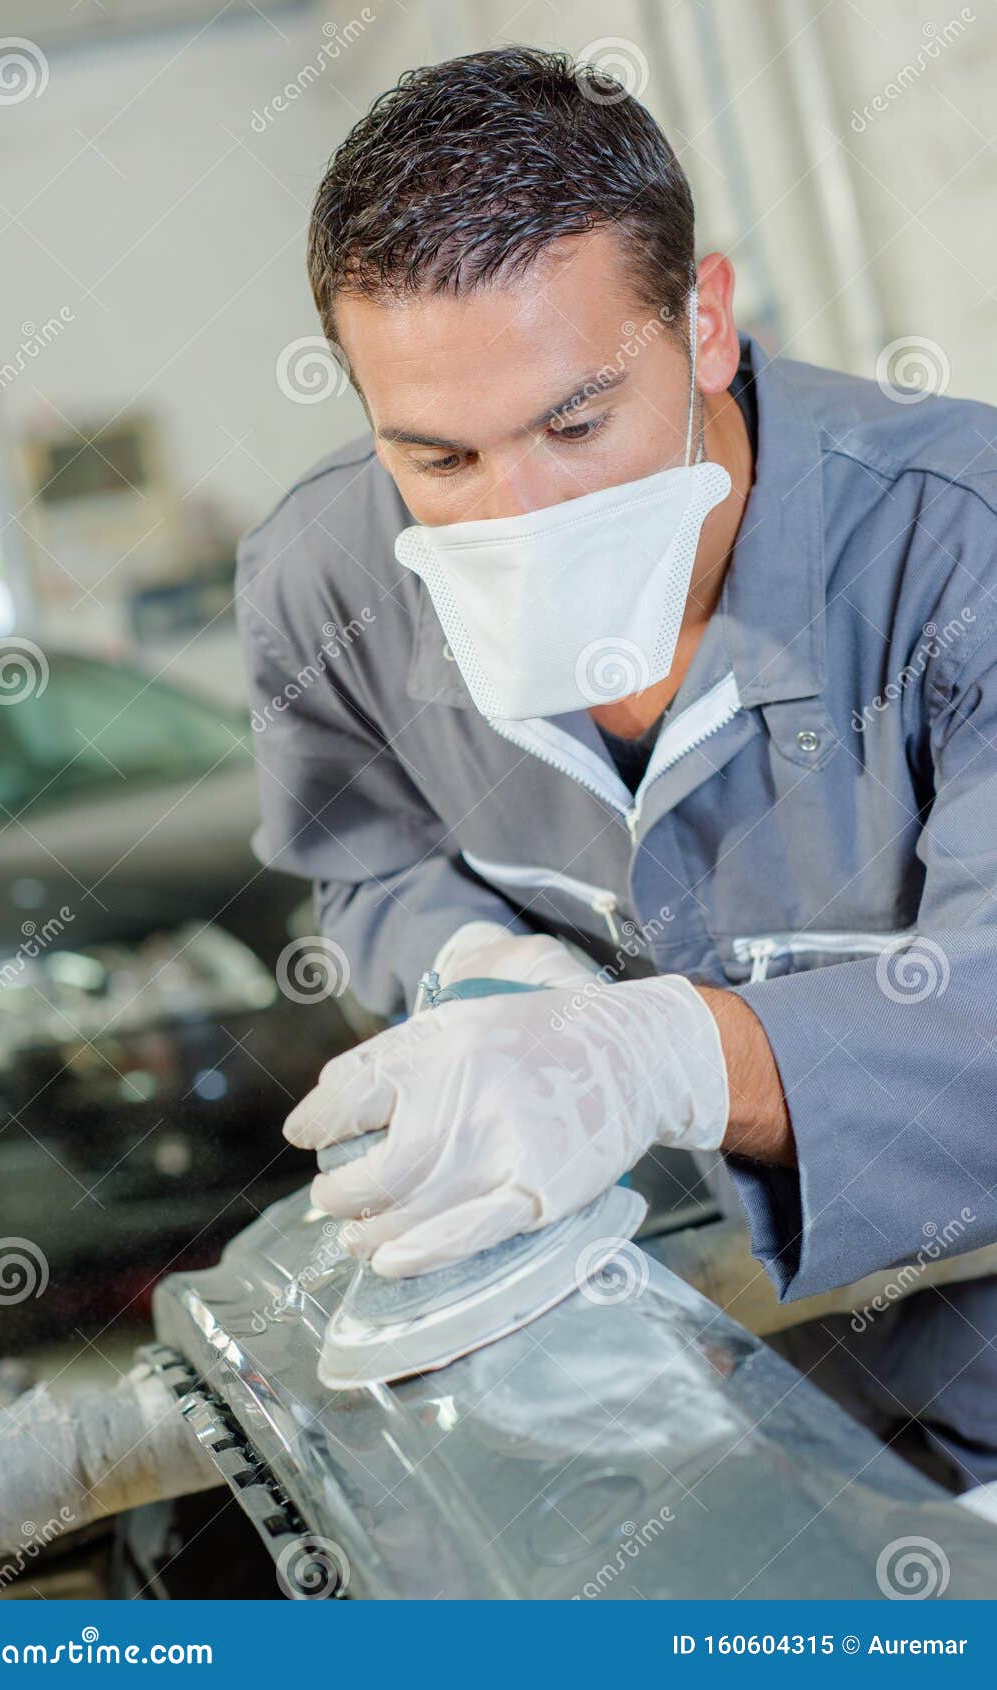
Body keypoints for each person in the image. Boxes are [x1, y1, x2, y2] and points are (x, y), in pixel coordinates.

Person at [237, 47, 997, 1486]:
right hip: (655, 1402)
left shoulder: (964, 548)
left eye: (576, 421)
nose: (521, 510)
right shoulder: (323, 577)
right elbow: (367, 859)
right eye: (440, 459)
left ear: (704, 321)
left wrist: (661, 1058)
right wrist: (479, 968)